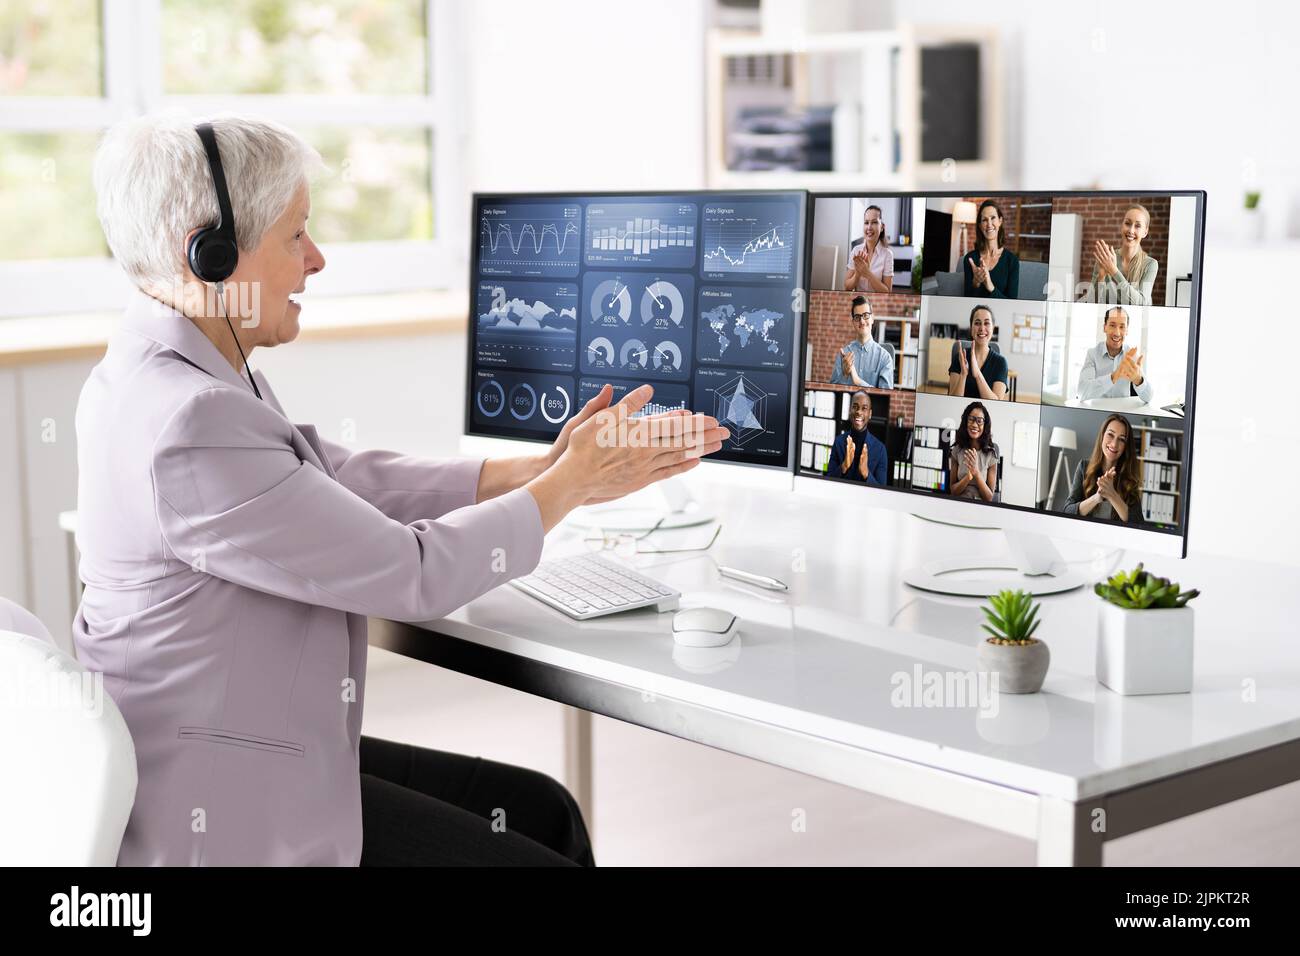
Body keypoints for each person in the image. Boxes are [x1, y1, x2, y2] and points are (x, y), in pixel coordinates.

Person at [75, 113, 730, 867]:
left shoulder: (165, 364)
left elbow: (327, 479)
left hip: (230, 746)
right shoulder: (187, 422)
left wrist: (537, 470)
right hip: (217, 808)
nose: (317, 259)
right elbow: (412, 574)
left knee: (542, 812)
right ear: (212, 254)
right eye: (296, 236)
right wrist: (572, 488)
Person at [1062, 413, 1143, 524]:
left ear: (1126, 446)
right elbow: (1067, 511)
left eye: (1122, 439)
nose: (1114, 444)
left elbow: (1139, 523)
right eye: (1110, 434)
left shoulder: (1129, 476)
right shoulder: (1084, 467)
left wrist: (1112, 494)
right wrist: (1097, 498)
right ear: (1102, 436)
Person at [1081, 204, 1158, 305]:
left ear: (1145, 232)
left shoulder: (1150, 264)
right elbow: (1091, 302)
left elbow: (1141, 303)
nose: (1131, 230)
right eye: (1127, 223)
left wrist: (1114, 271)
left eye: (1138, 226)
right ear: (1122, 226)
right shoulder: (1106, 259)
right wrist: (1101, 277)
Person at [1076, 306, 1153, 403]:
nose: (1117, 333)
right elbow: (1081, 392)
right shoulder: (1092, 354)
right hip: (1098, 411)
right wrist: (1114, 376)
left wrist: (1138, 380)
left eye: (1122, 327)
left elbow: (1149, 397)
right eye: (1112, 325)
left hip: (1122, 414)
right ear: (1105, 327)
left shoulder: (1131, 356)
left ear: (1127, 330)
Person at [830, 294, 894, 388]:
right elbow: (832, 389)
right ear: (853, 322)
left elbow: (885, 395)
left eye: (866, 315)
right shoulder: (843, 355)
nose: (862, 321)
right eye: (857, 317)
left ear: (872, 318)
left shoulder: (885, 358)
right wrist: (844, 375)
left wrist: (858, 381)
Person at [948, 304, 1009, 401]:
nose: (982, 328)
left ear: (993, 328)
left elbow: (996, 403)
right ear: (971, 328)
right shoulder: (959, 358)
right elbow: (952, 400)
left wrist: (978, 374)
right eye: (977, 323)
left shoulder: (1001, 363)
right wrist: (963, 375)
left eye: (987, 323)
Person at [827, 391, 888, 485]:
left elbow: (882, 492)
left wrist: (866, 473)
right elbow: (828, 481)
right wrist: (844, 466)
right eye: (855, 407)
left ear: (870, 414)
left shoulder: (880, 449)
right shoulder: (838, 442)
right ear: (850, 410)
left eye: (864, 408)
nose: (859, 412)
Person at [962, 199, 1019, 299]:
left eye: (993, 218)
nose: (989, 224)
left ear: (1000, 221)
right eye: (984, 220)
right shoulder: (970, 259)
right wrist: (976, 283)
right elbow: (966, 299)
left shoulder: (1012, 261)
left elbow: (1012, 303)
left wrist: (990, 286)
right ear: (980, 226)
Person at [949, 402, 998, 502]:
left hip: (980, 507)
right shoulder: (957, 451)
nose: (975, 425)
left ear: (985, 425)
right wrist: (968, 477)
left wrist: (976, 472)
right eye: (971, 419)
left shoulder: (991, 455)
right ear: (965, 422)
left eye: (979, 421)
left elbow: (989, 497)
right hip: (960, 503)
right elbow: (953, 491)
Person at [844, 203, 894, 293]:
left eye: (874, 222)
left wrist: (867, 273)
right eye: (866, 222)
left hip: (877, 304)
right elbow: (847, 287)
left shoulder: (887, 255)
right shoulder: (856, 251)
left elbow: (887, 292)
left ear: (882, 227)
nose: (869, 227)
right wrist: (858, 274)